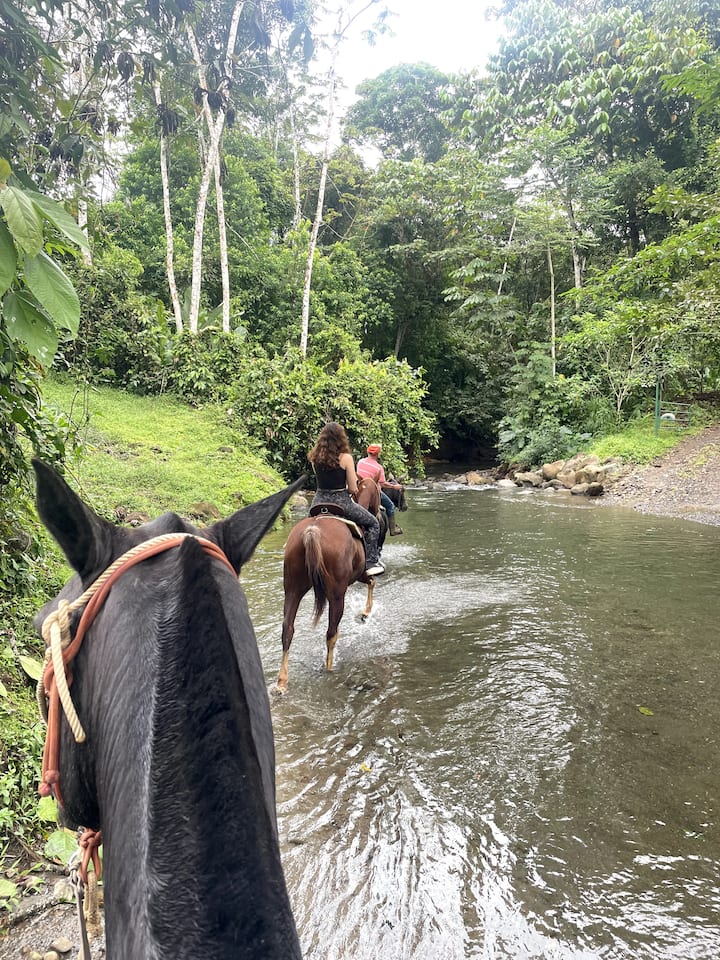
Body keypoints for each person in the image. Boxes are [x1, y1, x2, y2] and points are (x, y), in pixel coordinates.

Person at [308, 422, 385, 577]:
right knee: (373, 523)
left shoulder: (314, 457)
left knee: (307, 529)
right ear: (341, 438)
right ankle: (370, 562)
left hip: (318, 503)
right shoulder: (346, 458)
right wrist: (354, 489)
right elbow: (352, 488)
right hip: (341, 503)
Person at [356, 443, 404, 536]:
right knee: (390, 506)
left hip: (359, 490)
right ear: (378, 454)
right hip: (373, 492)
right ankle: (393, 529)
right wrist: (394, 486)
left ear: (368, 452)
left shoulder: (361, 462)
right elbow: (382, 483)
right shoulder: (379, 468)